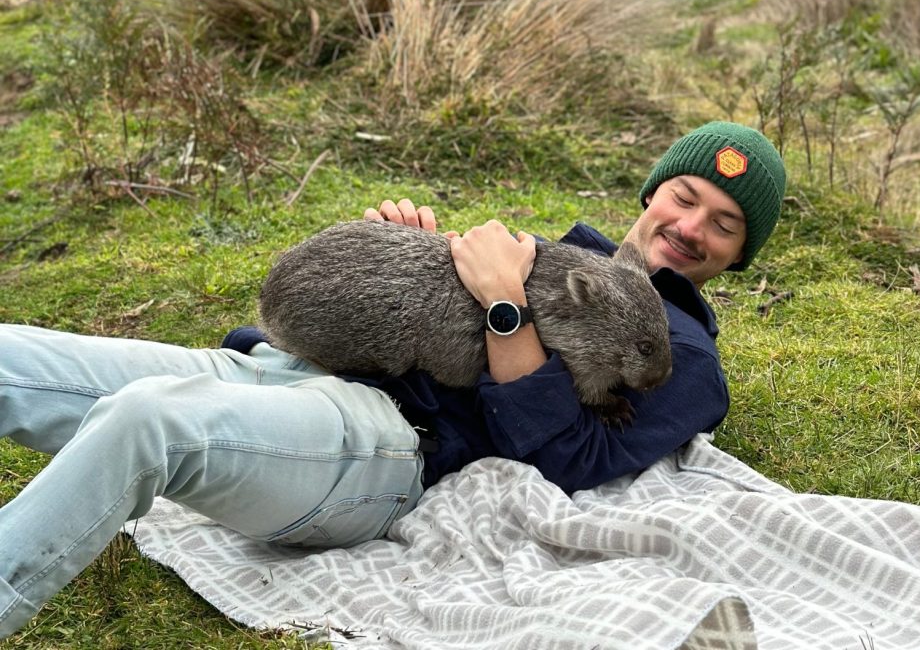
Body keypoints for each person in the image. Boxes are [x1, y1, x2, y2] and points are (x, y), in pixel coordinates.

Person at [0, 121, 786, 637]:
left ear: (737, 258)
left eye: (724, 225)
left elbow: (567, 459)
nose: (691, 228)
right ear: (653, 194)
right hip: (288, 369)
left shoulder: (683, 358)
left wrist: (503, 308)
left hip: (380, 446)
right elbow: (423, 305)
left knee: (147, 420)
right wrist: (381, 261)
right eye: (686, 199)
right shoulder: (564, 255)